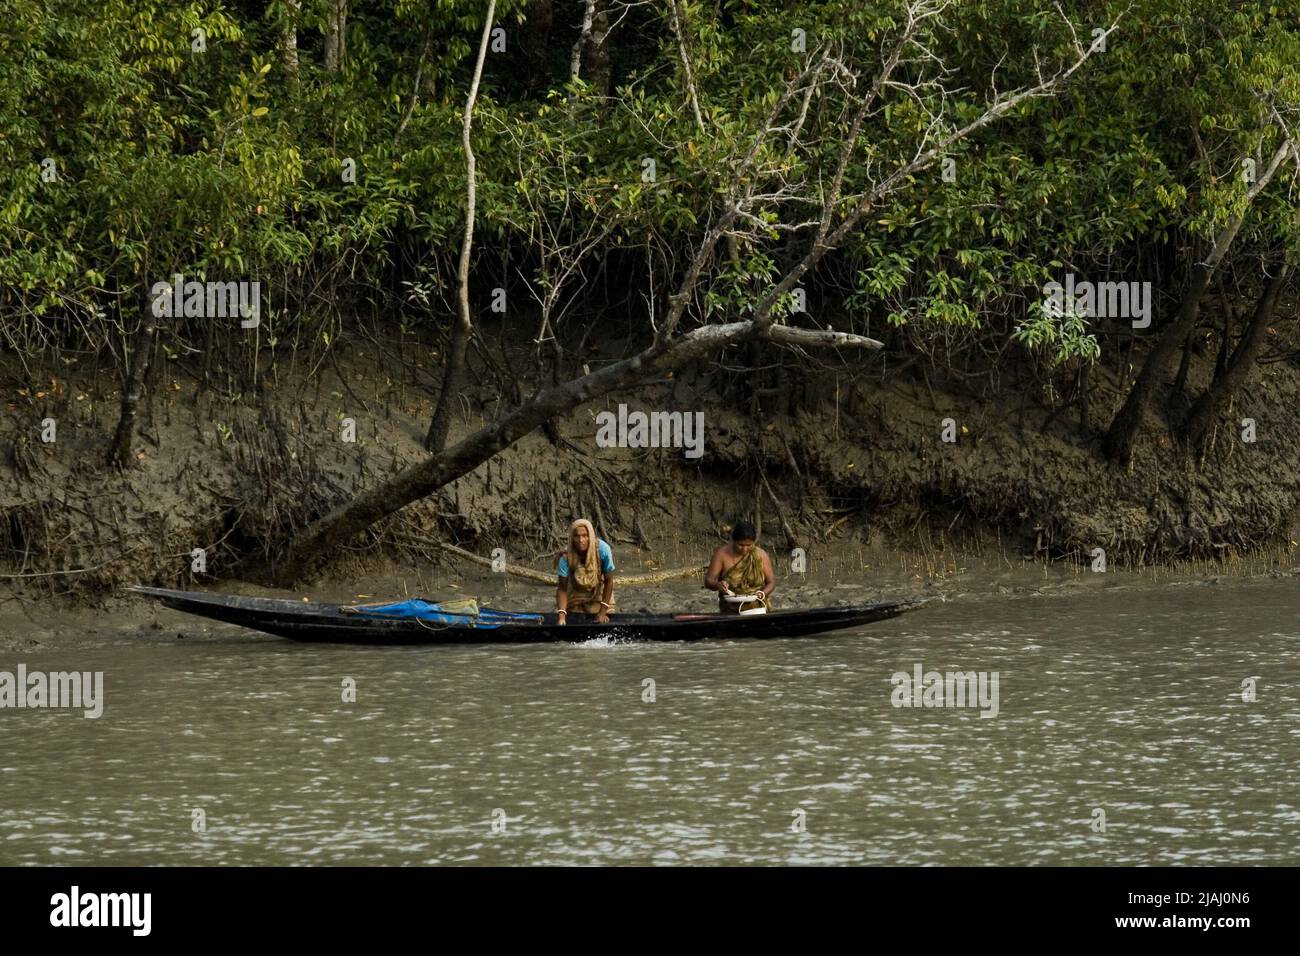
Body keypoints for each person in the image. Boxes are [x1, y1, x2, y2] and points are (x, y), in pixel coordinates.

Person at [705, 521, 775, 614]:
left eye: (749, 545)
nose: (744, 549)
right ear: (734, 541)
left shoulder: (761, 555)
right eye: (740, 545)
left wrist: (762, 593)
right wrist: (718, 585)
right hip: (730, 609)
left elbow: (771, 582)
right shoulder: (721, 555)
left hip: (758, 609)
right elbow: (708, 581)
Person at [556, 518, 616, 625]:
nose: (581, 540)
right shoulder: (565, 557)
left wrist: (602, 612)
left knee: (603, 621)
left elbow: (609, 581)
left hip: (599, 595)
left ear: (591, 536)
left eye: (585, 536)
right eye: (577, 536)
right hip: (575, 597)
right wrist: (561, 617)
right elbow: (562, 588)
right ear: (572, 538)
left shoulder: (603, 550)